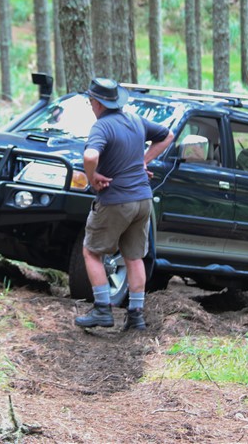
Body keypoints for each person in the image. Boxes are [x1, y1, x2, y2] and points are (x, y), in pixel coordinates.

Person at [75, 78, 174, 331]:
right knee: (134, 257)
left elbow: (89, 155)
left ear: (96, 103)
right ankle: (136, 314)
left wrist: (92, 176)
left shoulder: (102, 127)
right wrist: (144, 160)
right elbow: (168, 136)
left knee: (91, 252)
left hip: (116, 200)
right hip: (143, 201)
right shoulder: (135, 120)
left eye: (90, 101)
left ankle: (102, 309)